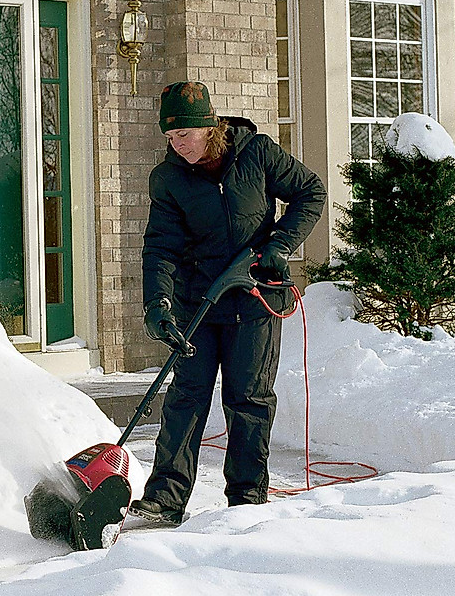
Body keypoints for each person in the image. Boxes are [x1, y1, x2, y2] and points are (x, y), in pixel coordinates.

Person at [129, 80, 326, 526]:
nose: (178, 146)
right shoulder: (168, 179)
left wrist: (280, 243)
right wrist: (158, 305)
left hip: (256, 297)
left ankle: (247, 498)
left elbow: (310, 192)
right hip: (198, 302)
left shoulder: (256, 153)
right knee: (186, 397)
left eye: (184, 135)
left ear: (209, 127)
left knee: (249, 398)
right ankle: (165, 499)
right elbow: (160, 248)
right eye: (170, 138)